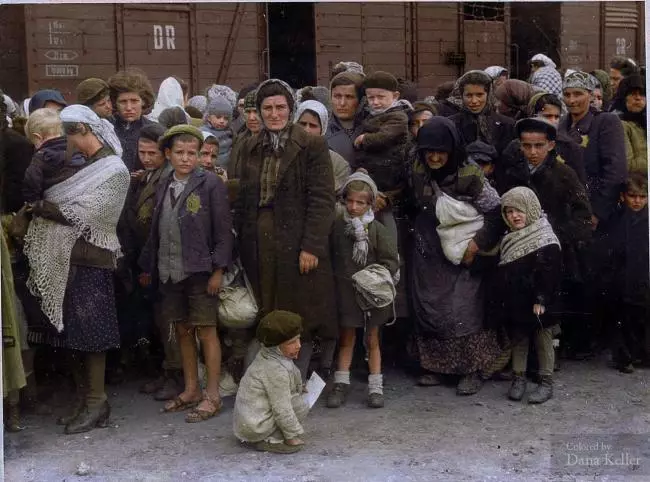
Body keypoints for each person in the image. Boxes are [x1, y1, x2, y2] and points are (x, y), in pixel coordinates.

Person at [22, 104, 130, 434]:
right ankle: (86, 400)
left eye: (67, 135)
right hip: (67, 256)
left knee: (91, 334)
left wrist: (43, 207)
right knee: (71, 332)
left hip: (93, 257)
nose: (64, 144)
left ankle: (97, 402)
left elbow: (91, 215)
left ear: (82, 131)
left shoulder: (113, 169)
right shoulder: (90, 164)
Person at [235, 78, 337, 381]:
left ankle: (296, 379)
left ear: (291, 109)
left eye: (280, 107)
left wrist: (311, 246)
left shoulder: (312, 144)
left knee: (298, 309)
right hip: (260, 238)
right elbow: (243, 199)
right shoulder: (250, 145)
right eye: (268, 108)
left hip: (296, 239)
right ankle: (269, 380)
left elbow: (322, 199)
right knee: (267, 306)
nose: (274, 114)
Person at [139, 124, 233, 423]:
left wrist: (218, 270)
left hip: (200, 272)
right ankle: (191, 388)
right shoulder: (164, 182)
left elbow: (223, 232)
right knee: (182, 330)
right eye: (179, 153)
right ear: (167, 155)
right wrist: (149, 265)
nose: (186, 159)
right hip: (170, 271)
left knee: (206, 330)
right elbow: (157, 228)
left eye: (192, 153)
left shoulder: (209, 184)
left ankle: (213, 394)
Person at [406, 117, 503, 395]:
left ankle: (471, 370)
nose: (435, 157)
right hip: (429, 245)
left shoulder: (470, 174)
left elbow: (495, 212)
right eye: (429, 151)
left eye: (441, 151)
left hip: (463, 246)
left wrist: (476, 244)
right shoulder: (417, 168)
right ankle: (435, 367)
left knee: (463, 307)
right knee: (429, 305)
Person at [327, 170, 399, 409]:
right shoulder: (338, 227)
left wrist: (374, 276)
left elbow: (391, 260)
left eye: (360, 202)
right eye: (349, 201)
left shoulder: (377, 230)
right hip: (346, 293)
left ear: (370, 204)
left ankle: (376, 386)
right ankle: (341, 383)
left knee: (372, 339)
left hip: (371, 295)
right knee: (346, 338)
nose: (354, 207)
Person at [126, 123, 183, 402]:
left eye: (152, 153)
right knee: (161, 320)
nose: (146, 158)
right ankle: (168, 370)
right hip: (150, 260)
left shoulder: (166, 180)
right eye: (142, 152)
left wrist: (148, 267)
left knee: (168, 319)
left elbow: (159, 229)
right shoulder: (150, 176)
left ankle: (176, 375)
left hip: (161, 262)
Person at [494, 187, 562, 404]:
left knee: (543, 339)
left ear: (531, 209)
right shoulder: (510, 239)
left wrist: (541, 299)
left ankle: (546, 382)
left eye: (520, 210)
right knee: (519, 339)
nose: (515, 216)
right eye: (509, 212)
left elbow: (550, 273)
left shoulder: (545, 237)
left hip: (540, 303)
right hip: (518, 301)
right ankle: (518, 378)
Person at [233, 310, 308, 454]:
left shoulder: (268, 356)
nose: (298, 345)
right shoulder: (275, 369)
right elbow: (282, 407)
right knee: (299, 404)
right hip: (255, 427)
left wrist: (299, 386)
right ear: (276, 346)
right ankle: (272, 439)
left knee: (294, 398)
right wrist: (292, 436)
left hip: (249, 422)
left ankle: (269, 434)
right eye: (291, 342)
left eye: (299, 339)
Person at [560, 72, 627, 231]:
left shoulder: (605, 122)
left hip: (596, 212)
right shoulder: (562, 125)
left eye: (578, 94)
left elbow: (615, 171)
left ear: (590, 96)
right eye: (567, 94)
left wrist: (597, 213)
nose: (571, 100)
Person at [354, 71, 411, 240]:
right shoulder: (373, 115)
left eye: (381, 97)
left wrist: (366, 138)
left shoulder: (398, 116)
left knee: (387, 224)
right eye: (371, 98)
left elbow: (386, 136)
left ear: (395, 96)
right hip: (374, 173)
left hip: (389, 175)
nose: (375, 102)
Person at [606, 173, 649, 373]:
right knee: (623, 320)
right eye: (633, 196)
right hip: (622, 278)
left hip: (643, 278)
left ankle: (643, 354)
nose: (637, 201)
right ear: (623, 196)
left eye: (642, 196)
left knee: (643, 318)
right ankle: (624, 357)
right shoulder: (616, 218)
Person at [22, 108, 86, 203]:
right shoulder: (77, 150)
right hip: (79, 199)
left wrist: (33, 204)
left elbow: (31, 183)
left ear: (38, 137)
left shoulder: (40, 158)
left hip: (51, 205)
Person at [449, 70, 515, 157]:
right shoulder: (451, 125)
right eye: (469, 95)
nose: (474, 101)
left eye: (479, 95)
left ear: (488, 95)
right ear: (462, 96)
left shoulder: (507, 124)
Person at [527, 93, 586, 184]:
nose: (553, 121)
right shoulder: (519, 145)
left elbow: (579, 186)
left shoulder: (570, 148)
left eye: (556, 117)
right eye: (548, 116)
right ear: (535, 116)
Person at [295, 99, 351, 193]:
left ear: (322, 129)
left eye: (313, 126)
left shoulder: (338, 164)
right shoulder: (283, 154)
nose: (306, 130)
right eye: (302, 124)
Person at [108, 69, 156, 173]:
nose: (129, 107)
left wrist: (148, 175)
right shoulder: (106, 128)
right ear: (115, 103)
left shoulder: (154, 131)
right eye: (123, 101)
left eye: (134, 101)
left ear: (143, 101)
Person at [326, 71, 367, 164]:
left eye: (349, 97)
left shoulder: (374, 128)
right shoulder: (321, 131)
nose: (342, 103)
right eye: (337, 96)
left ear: (360, 100)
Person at [611, 74, 647, 174]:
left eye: (642, 94)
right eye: (632, 94)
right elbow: (628, 165)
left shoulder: (645, 122)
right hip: (635, 185)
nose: (638, 98)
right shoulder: (619, 124)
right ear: (623, 98)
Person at [201, 97, 234, 168]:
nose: (222, 121)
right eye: (218, 117)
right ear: (209, 118)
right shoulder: (203, 133)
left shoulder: (230, 133)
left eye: (226, 118)